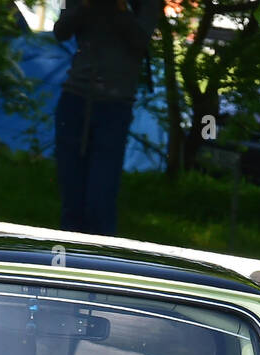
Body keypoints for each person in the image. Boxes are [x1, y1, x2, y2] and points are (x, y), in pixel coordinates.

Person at [53, 0, 160, 236]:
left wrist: (121, 9)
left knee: (100, 198)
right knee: (71, 194)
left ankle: (99, 259)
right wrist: (84, 5)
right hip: (75, 98)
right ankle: (68, 256)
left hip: (114, 105)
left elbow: (140, 41)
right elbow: (61, 32)